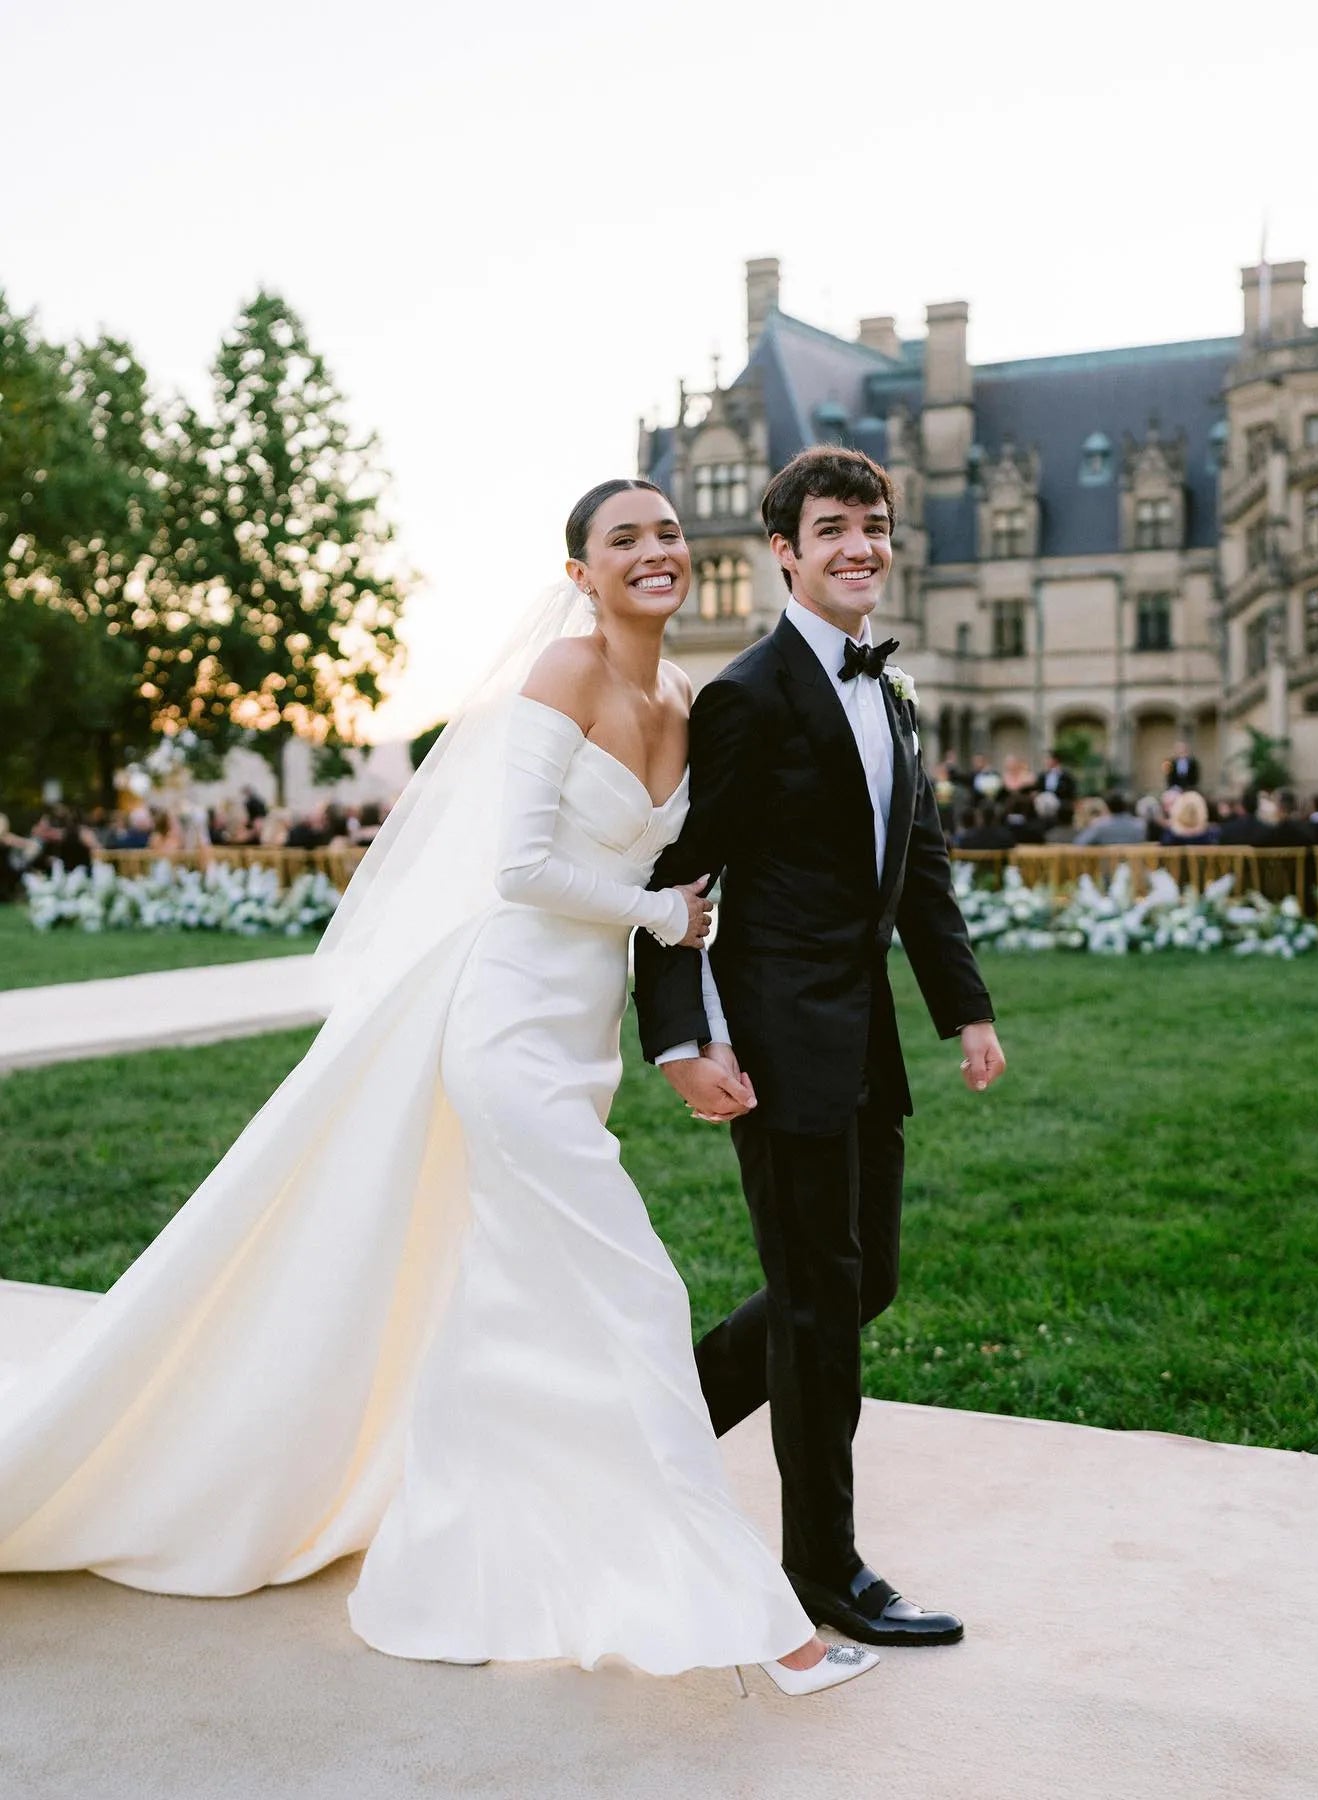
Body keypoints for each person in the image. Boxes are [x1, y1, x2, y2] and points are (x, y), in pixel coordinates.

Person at [0, 479, 874, 1700]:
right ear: (580, 573)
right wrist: (659, 913)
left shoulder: (685, 695)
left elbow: (693, 879)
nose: (656, 551)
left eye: (669, 532)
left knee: (504, 1306)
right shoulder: (562, 675)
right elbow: (520, 868)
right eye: (624, 538)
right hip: (507, 1023)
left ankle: (451, 1563)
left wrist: (697, 1003)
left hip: (581, 1040)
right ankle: (763, 1622)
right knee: (635, 1294)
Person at [634, 446, 1005, 1652]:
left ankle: (654, 1432)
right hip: (775, 1043)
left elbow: (921, 866)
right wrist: (684, 1037)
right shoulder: (746, 695)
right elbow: (681, 875)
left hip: (865, 1040)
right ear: (783, 552)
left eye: (875, 524)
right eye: (833, 527)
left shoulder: (892, 693)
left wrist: (965, 1008)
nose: (861, 546)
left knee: (857, 1285)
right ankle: (825, 1571)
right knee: (815, 1306)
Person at [1073, 791, 1147, 846]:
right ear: (1125, 806)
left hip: (1106, 862)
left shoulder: (1099, 825)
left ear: (1108, 807)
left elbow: (1080, 843)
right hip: (1134, 862)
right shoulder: (1140, 825)